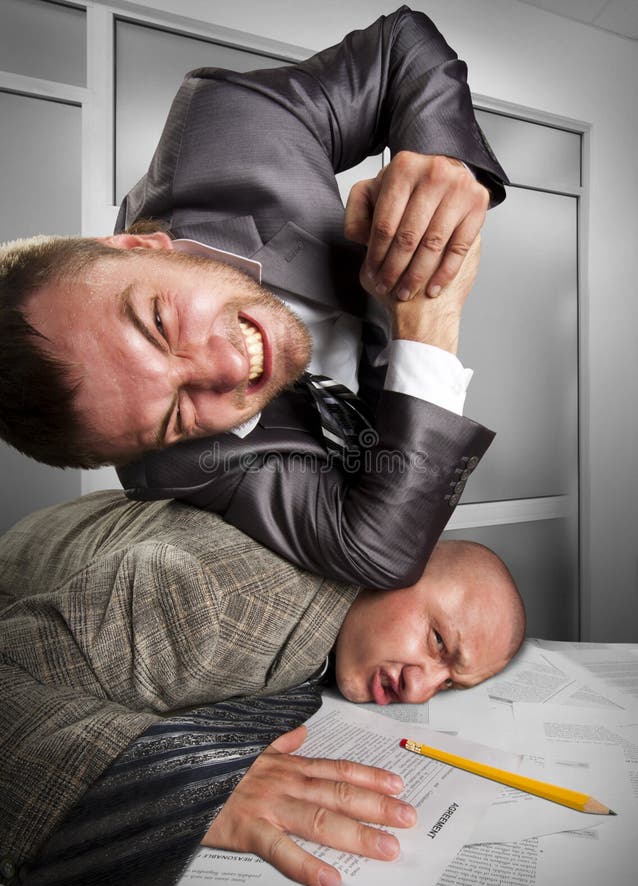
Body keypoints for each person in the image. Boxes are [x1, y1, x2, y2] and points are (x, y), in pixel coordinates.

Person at [0, 7, 508, 589]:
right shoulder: (171, 465)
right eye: (177, 414)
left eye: (160, 323)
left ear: (138, 245)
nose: (230, 368)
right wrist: (428, 322)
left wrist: (441, 161)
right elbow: (374, 549)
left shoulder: (228, 127)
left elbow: (399, 48)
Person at [0, 490, 525, 886]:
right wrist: (188, 782)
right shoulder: (216, 601)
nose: (420, 687)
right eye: (438, 641)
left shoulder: (325, 608)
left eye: (449, 682)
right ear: (399, 563)